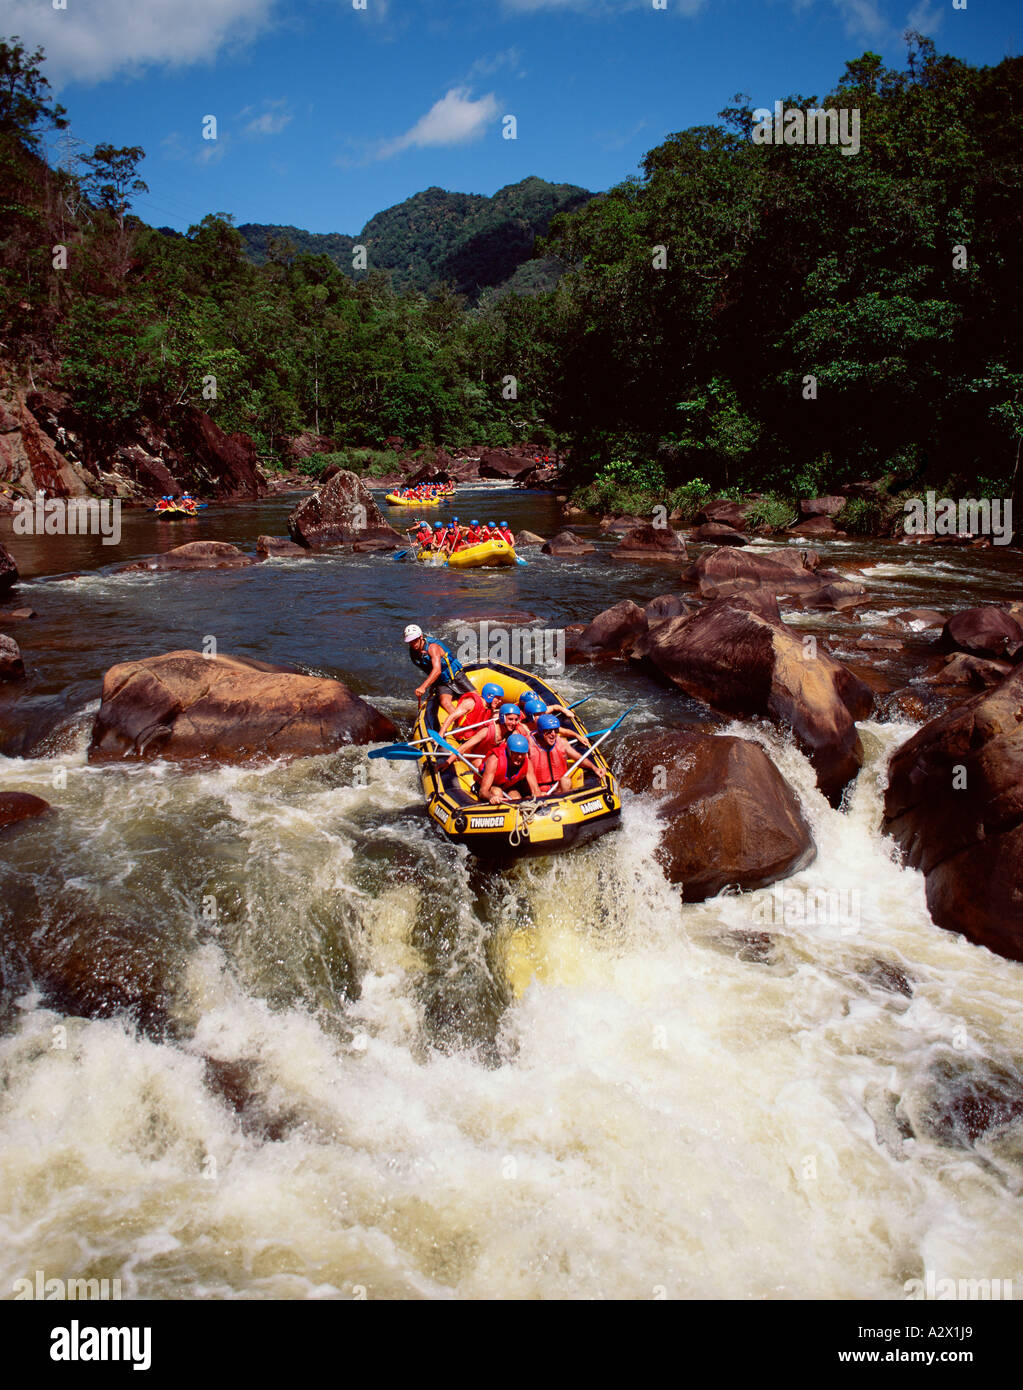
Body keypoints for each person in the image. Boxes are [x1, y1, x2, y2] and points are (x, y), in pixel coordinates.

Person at [403, 624, 474, 716]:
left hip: (455, 676)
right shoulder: (413, 653)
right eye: (410, 641)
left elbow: (437, 670)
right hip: (441, 682)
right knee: (445, 702)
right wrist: (432, 685)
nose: (413, 644)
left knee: (475, 697)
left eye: (415, 640)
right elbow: (429, 670)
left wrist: (423, 687)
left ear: (421, 637)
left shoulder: (432, 648)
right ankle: (463, 722)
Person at [531, 713, 600, 796]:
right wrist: (537, 792)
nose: (553, 734)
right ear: (541, 731)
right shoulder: (529, 746)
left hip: (558, 788)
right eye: (549, 731)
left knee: (566, 781)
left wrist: (595, 768)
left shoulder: (561, 743)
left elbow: (579, 758)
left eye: (556, 730)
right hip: (538, 790)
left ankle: (566, 802)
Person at [478, 732, 540, 805]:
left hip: (507, 787)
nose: (519, 757)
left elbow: (536, 791)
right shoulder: (494, 760)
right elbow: (483, 791)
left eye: (522, 754)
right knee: (497, 792)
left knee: (516, 798)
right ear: (508, 751)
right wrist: (491, 797)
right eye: (516, 753)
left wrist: (540, 797)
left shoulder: (527, 763)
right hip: (490, 787)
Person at [440, 681, 505, 741]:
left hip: (472, 735)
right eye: (498, 698)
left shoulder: (488, 708)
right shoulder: (471, 702)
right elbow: (452, 717)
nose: (500, 701)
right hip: (460, 732)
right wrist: (441, 733)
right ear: (489, 696)